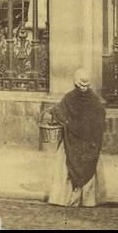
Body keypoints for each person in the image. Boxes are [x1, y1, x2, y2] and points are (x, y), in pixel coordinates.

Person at [46, 67, 107, 207]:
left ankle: (65, 198)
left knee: (66, 166)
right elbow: (100, 119)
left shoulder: (69, 98)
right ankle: (87, 199)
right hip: (89, 144)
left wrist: (56, 113)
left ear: (75, 82)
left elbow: (59, 112)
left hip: (71, 142)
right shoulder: (95, 101)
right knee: (89, 166)